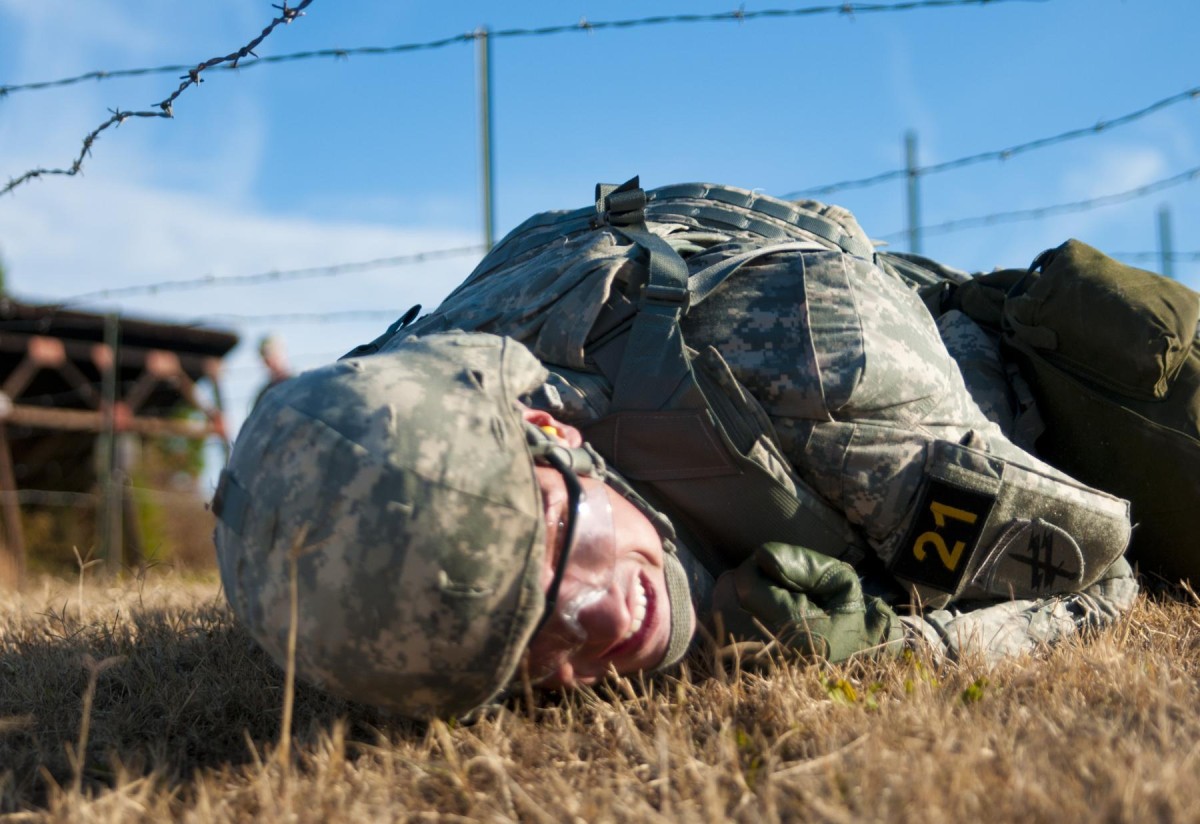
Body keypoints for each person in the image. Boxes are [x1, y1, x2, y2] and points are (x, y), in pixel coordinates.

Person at [213, 180, 1138, 719]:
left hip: (895, 344)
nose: (601, 618)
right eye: (519, 645)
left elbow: (1103, 576)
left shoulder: (823, 377)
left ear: (549, 434)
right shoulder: (371, 490)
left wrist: (898, 646)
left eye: (551, 540)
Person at [251, 333, 293, 409]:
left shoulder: (300, 385)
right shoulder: (264, 394)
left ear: (283, 352)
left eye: (274, 353)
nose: (269, 360)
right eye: (264, 355)